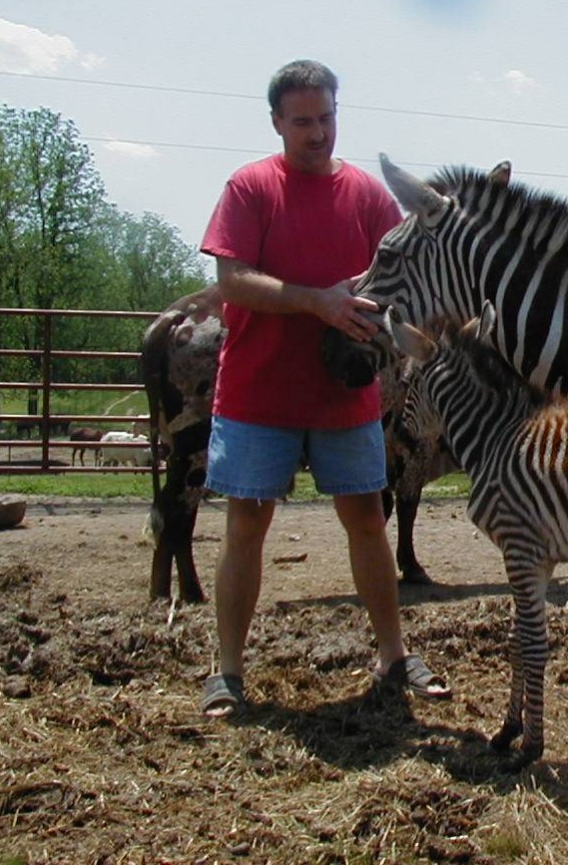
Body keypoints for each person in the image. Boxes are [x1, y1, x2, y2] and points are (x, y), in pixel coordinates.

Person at [197, 59, 450, 717]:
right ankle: (227, 671)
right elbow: (233, 281)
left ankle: (394, 654)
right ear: (278, 122)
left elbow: (399, 278)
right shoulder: (251, 189)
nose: (317, 133)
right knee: (247, 524)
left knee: (367, 519)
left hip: (345, 394)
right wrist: (316, 303)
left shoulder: (367, 197)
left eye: (327, 118)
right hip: (259, 392)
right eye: (303, 121)